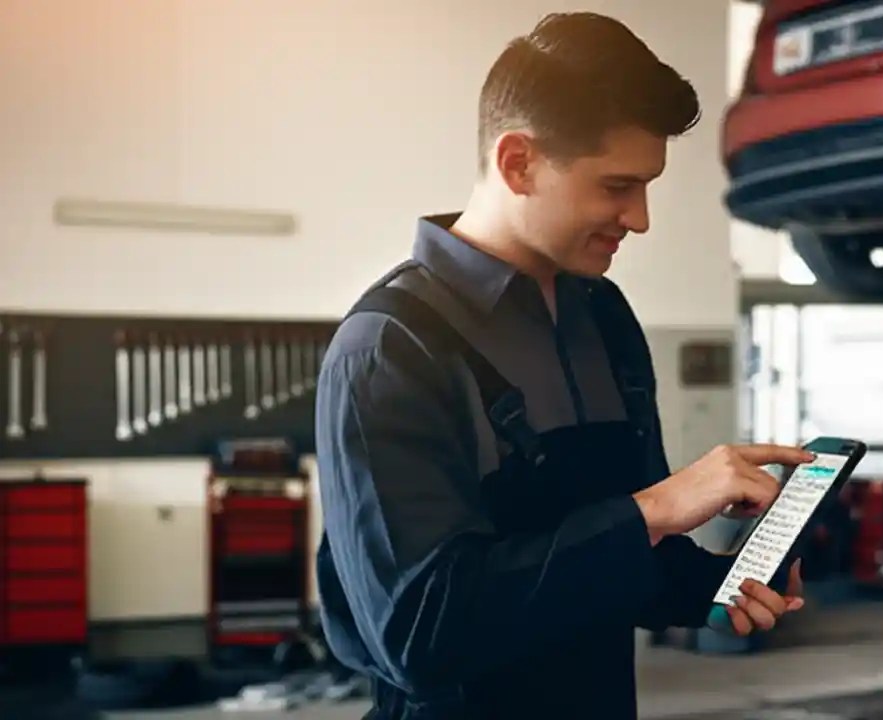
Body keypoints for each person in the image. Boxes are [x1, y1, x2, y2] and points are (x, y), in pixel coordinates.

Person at [313, 12, 811, 720]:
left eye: (647, 186)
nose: (639, 219)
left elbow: (626, 560)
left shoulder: (603, 318)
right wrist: (654, 510)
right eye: (616, 186)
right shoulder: (390, 348)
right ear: (517, 162)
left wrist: (727, 582)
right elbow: (418, 633)